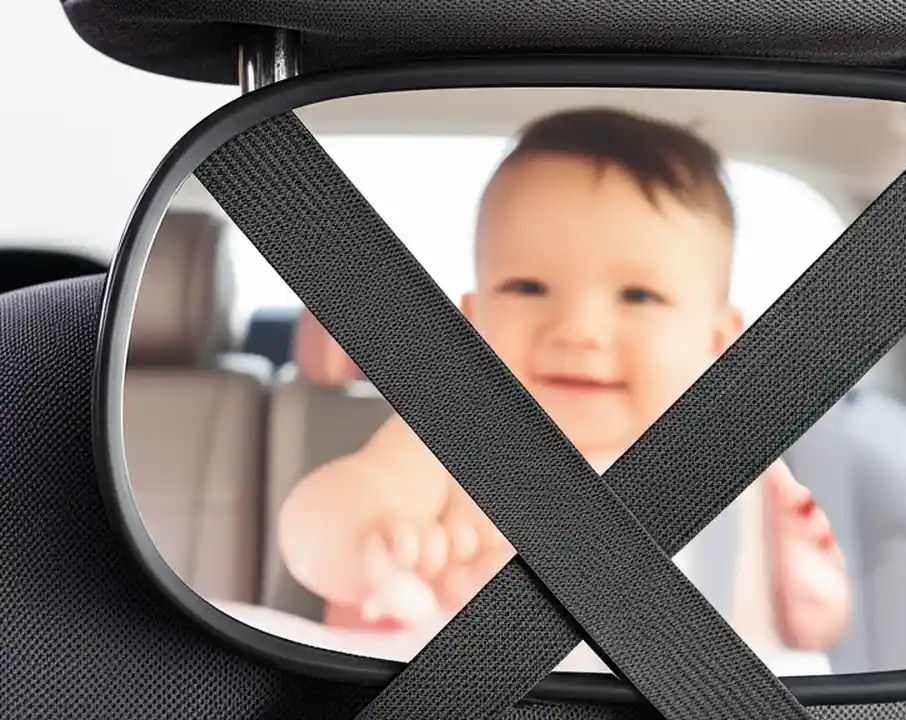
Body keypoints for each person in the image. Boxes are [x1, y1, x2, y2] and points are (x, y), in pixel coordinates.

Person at [277, 108, 852, 655]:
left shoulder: (733, 466)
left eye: (638, 296)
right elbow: (325, 521)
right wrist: (368, 536)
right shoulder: (456, 435)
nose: (577, 330)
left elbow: (799, 634)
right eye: (527, 287)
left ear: (717, 341)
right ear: (473, 320)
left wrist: (810, 601)